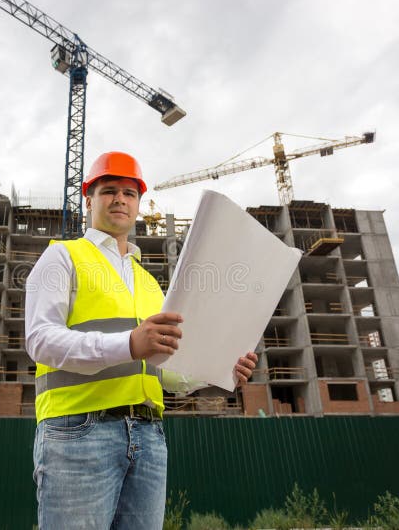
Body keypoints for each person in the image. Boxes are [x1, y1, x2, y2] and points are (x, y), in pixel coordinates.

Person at [24, 151, 258, 529]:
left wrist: (218, 371)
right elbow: (40, 340)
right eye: (109, 190)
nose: (120, 199)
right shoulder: (62, 257)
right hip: (79, 432)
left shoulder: (149, 282)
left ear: (138, 203)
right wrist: (130, 344)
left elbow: (161, 370)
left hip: (148, 436)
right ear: (89, 199)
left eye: (130, 193)